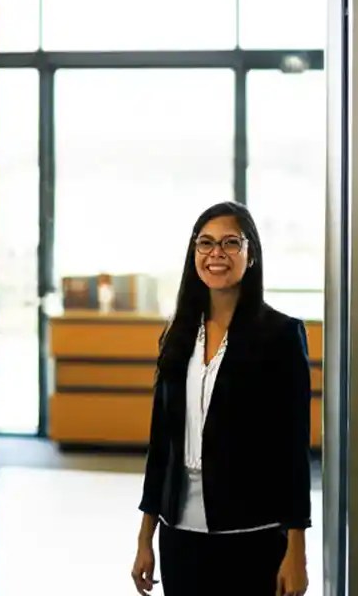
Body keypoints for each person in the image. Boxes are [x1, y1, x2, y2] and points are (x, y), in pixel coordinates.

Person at [131, 201, 311, 596]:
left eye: (231, 243)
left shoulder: (280, 336)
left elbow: (292, 449)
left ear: (252, 255)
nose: (216, 254)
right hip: (180, 534)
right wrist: (145, 537)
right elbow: (161, 444)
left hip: (253, 533)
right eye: (205, 243)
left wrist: (297, 549)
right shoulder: (176, 335)